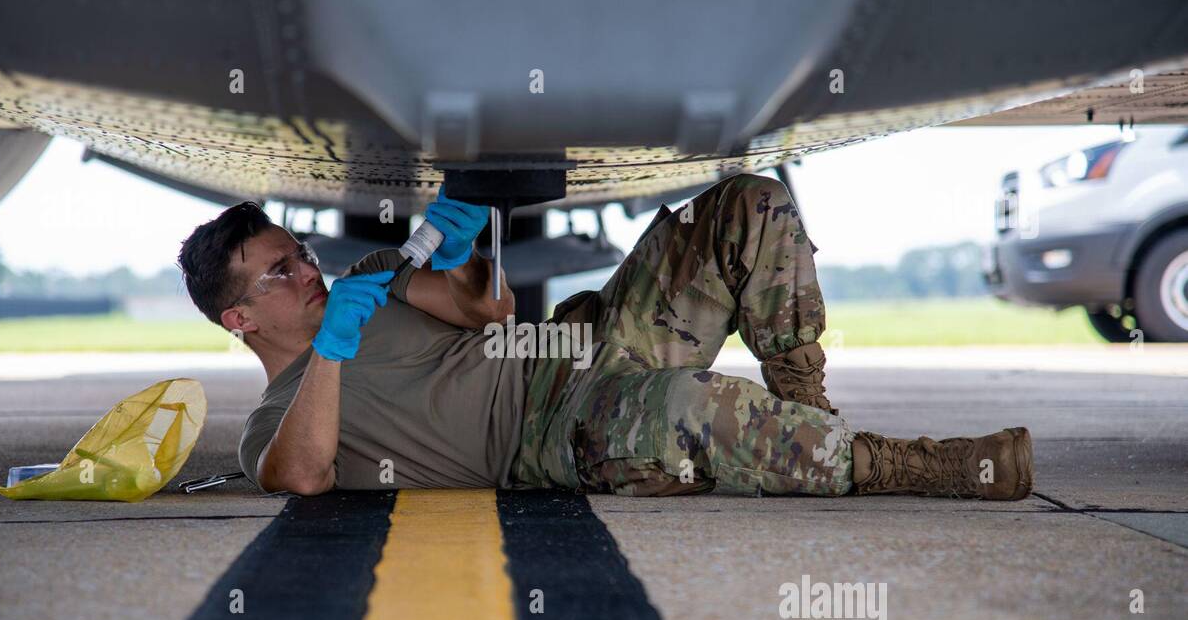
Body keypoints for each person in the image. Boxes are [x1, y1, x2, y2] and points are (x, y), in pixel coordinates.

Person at [177, 174, 1033, 500]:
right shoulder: (274, 422)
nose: (310, 272)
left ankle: (808, 416)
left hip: (571, 348)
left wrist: (462, 248)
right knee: (690, 408)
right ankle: (908, 464)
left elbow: (489, 311)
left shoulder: (366, 276)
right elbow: (304, 475)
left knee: (747, 203)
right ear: (239, 320)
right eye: (281, 273)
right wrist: (332, 352)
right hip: (550, 435)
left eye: (301, 254)